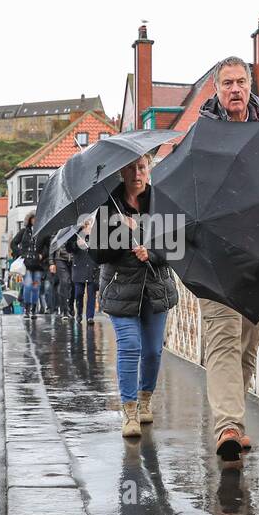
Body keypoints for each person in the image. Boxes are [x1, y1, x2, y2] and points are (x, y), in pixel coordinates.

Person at [196, 56, 259, 459]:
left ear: (250, 86)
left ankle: (234, 419)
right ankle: (228, 427)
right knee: (222, 339)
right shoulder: (203, 132)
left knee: (248, 343)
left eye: (240, 82)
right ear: (217, 90)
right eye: (226, 84)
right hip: (214, 252)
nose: (234, 89)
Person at [89, 152, 178, 442]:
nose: (137, 174)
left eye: (142, 168)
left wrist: (149, 251)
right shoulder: (108, 205)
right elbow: (96, 253)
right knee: (129, 345)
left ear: (148, 169)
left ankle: (145, 399)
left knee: (152, 350)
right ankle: (129, 411)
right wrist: (122, 234)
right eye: (131, 169)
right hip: (120, 289)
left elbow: (175, 246)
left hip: (156, 287)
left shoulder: (162, 201)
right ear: (122, 173)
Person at [9, 213, 47, 318]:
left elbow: (48, 246)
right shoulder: (24, 232)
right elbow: (13, 243)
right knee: (28, 285)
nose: (34, 220)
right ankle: (27, 308)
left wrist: (42, 255)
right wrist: (21, 253)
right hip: (27, 264)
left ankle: (34, 309)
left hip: (38, 265)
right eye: (33, 218)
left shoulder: (43, 232)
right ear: (29, 220)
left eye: (36, 218)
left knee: (35, 288)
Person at [67, 217, 99, 326]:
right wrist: (76, 244)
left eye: (89, 224)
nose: (88, 227)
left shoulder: (95, 235)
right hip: (79, 268)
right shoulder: (76, 235)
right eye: (86, 225)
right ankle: (79, 313)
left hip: (92, 267)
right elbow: (69, 249)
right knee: (79, 293)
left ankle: (90, 316)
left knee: (91, 294)